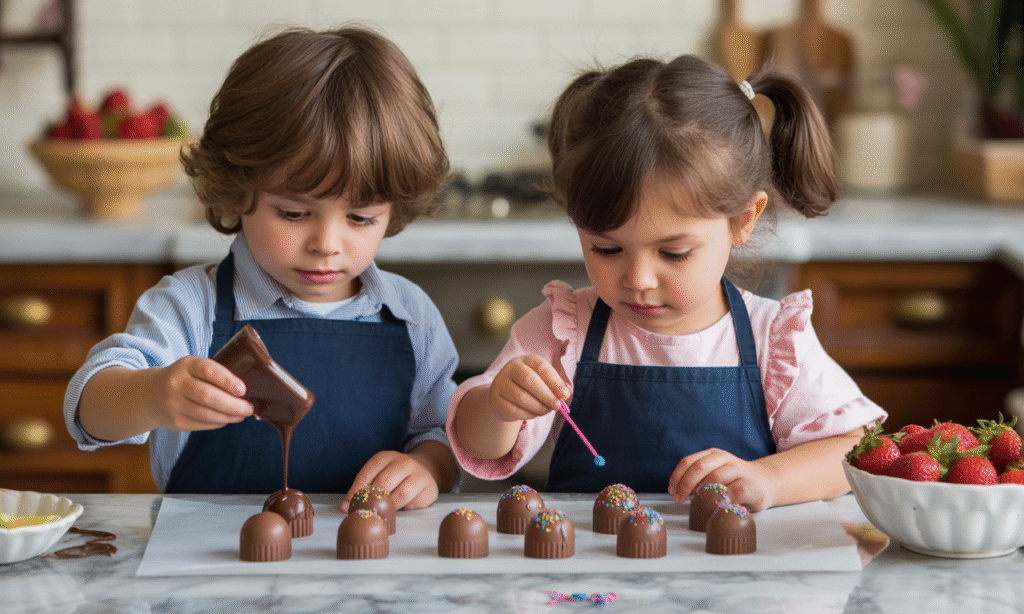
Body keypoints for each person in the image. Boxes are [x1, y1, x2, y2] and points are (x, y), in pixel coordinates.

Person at [447, 55, 886, 511]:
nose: (637, 280)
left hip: (732, 575)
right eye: (606, 248)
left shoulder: (772, 339)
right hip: (591, 576)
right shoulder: (563, 331)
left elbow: (852, 451)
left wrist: (770, 480)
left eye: (673, 253)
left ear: (743, 220)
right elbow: (480, 447)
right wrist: (498, 407)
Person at [64, 25, 460, 511]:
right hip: (205, 570)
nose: (326, 245)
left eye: (361, 218)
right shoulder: (191, 307)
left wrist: (429, 466)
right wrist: (153, 395)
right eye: (293, 213)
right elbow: (88, 410)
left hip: (368, 571)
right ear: (237, 188)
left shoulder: (411, 316)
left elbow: (444, 436)